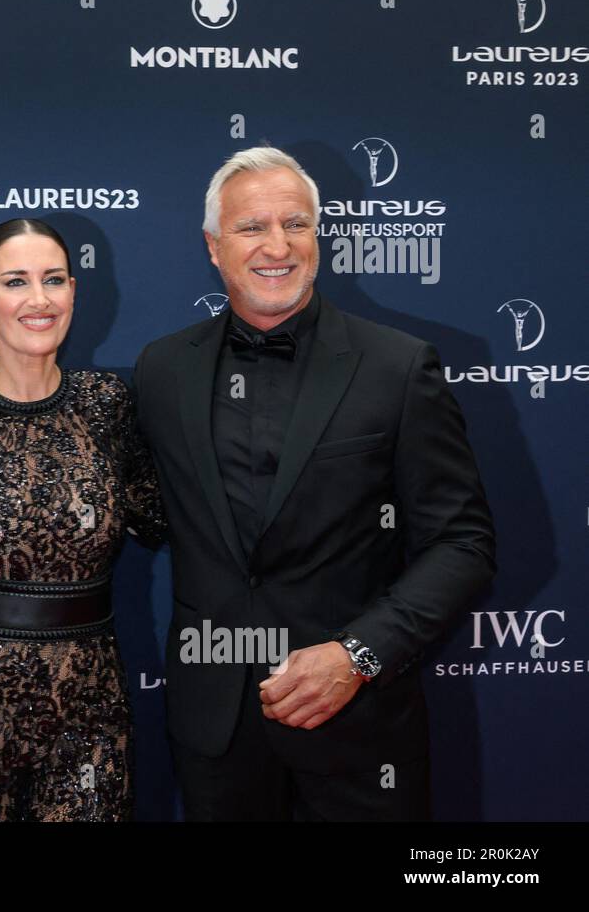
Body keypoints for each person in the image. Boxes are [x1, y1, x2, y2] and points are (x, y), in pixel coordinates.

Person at [131, 146, 496, 820]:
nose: (278, 246)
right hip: (216, 731)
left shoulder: (397, 366)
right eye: (252, 228)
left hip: (360, 731)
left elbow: (462, 545)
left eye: (296, 224)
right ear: (213, 247)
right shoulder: (160, 371)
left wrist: (357, 654)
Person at [0, 218, 165, 821]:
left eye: (53, 280)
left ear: (74, 290)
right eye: (15, 281)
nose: (39, 300)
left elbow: (160, 518)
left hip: (90, 707)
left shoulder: (108, 404)